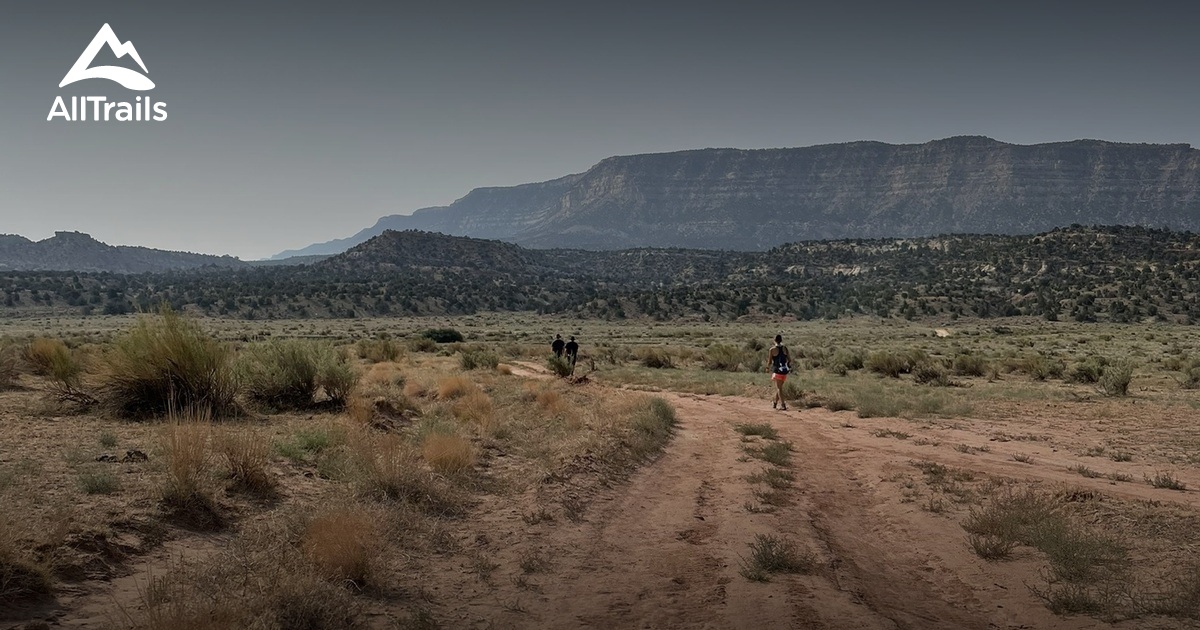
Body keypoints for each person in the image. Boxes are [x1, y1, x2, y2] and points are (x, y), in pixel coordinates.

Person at [766, 334, 791, 410]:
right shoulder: (785, 348)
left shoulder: (772, 350)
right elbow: (789, 360)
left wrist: (767, 368)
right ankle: (775, 403)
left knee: (779, 388)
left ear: (774, 340)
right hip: (784, 371)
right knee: (779, 387)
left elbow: (770, 361)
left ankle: (783, 405)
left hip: (777, 370)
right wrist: (787, 365)